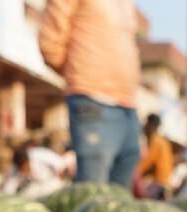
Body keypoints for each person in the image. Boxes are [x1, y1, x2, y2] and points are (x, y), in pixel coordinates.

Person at [39, 0, 141, 188]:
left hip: (127, 103)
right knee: (93, 190)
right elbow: (50, 41)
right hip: (92, 99)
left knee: (122, 192)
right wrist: (80, 73)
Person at [137, 113, 175, 199]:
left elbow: (144, 164)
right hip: (165, 181)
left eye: (146, 123)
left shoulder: (155, 141)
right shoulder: (162, 140)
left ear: (151, 124)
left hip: (159, 183)